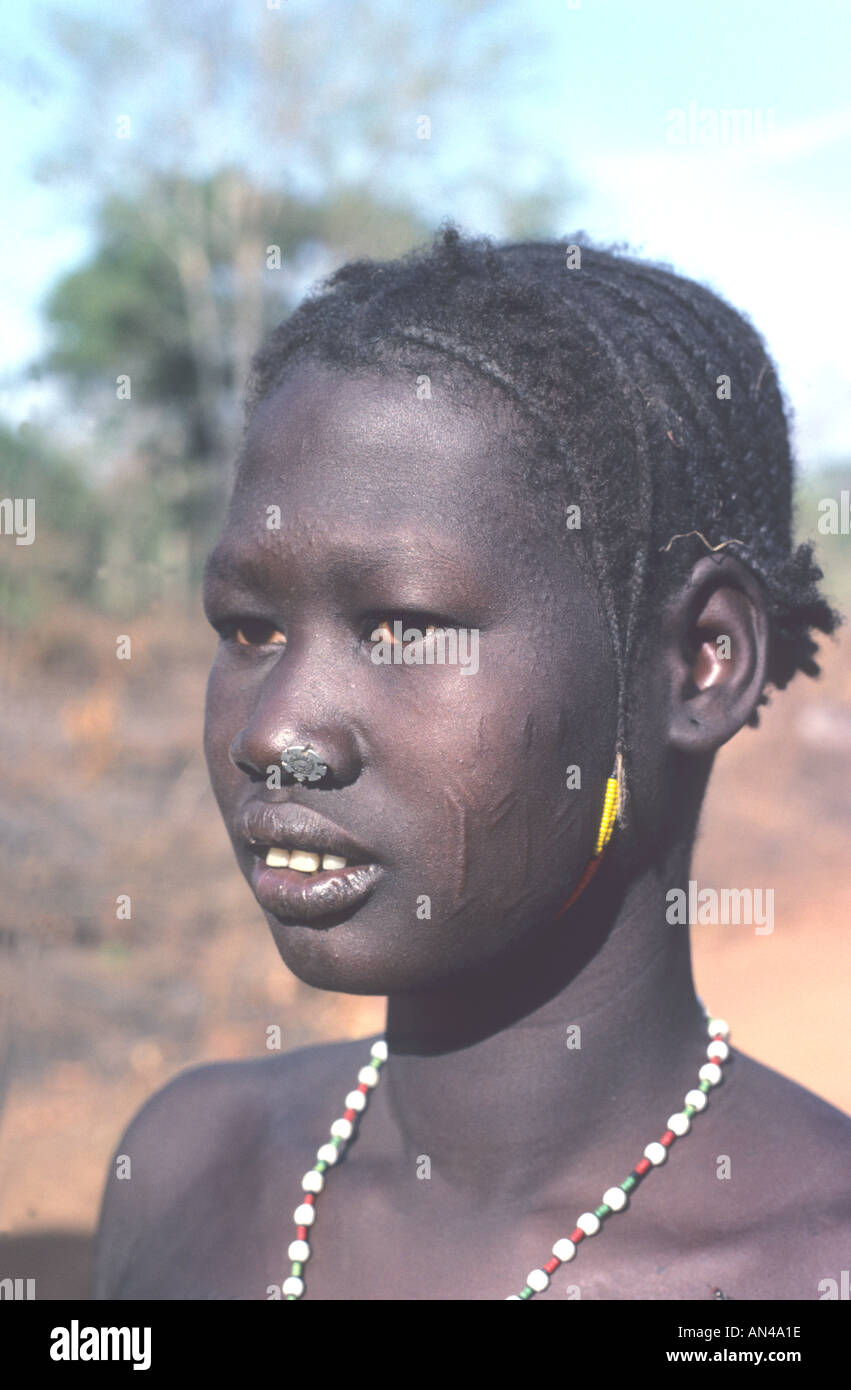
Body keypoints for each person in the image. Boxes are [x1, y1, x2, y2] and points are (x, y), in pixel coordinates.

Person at [93, 228, 850, 1301]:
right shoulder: (183, 1170)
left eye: (402, 627)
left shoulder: (806, 1271)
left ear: (696, 663)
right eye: (251, 628)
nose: (275, 735)